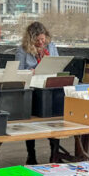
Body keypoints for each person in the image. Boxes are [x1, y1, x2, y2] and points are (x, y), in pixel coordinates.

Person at [15, 21, 60, 164]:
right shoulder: (22, 50)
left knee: (55, 121)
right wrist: (30, 72)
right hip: (32, 89)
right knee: (31, 123)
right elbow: (18, 72)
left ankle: (54, 154)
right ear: (31, 39)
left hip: (49, 87)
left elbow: (58, 64)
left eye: (43, 39)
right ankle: (31, 155)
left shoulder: (51, 46)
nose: (41, 43)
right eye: (37, 40)